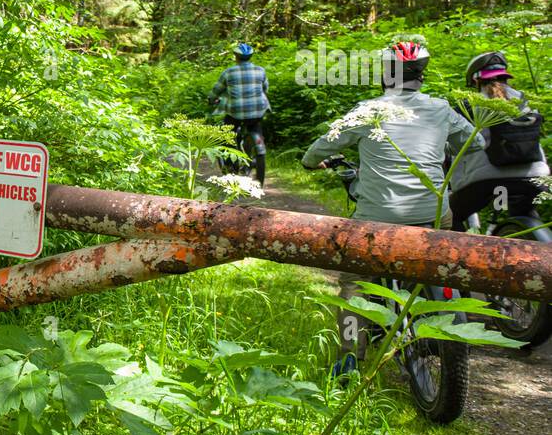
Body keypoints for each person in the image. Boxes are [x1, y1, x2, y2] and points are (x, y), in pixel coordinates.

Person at [300, 39, 483, 376]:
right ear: (421, 75)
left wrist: (311, 163)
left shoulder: (368, 110)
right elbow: (478, 142)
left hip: (376, 220)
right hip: (432, 213)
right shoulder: (441, 108)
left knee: (355, 282)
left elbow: (319, 148)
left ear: (385, 74)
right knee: (438, 265)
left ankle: (349, 359)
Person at [447, 50, 548, 231]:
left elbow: (449, 144)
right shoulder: (526, 101)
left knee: (448, 216)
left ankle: (462, 257)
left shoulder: (468, 104)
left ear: (476, 80)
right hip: (536, 176)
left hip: (487, 180)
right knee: (525, 218)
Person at [209, 42, 269, 184]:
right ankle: (256, 145)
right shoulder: (260, 71)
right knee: (256, 129)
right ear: (250, 57)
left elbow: (216, 91)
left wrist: (212, 100)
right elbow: (265, 88)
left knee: (226, 136)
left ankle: (231, 166)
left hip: (235, 112)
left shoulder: (229, 72)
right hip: (257, 111)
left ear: (236, 56)